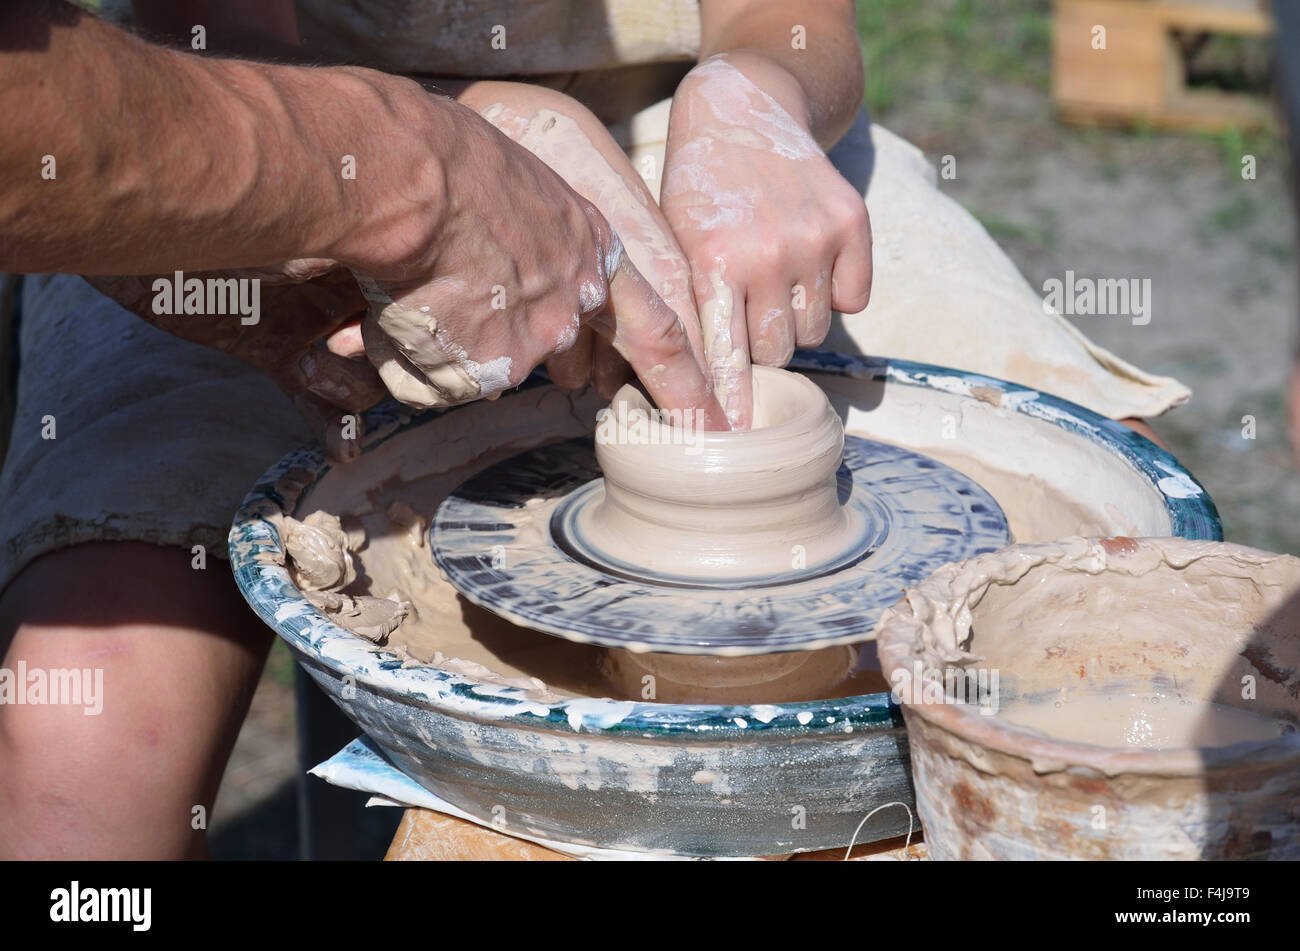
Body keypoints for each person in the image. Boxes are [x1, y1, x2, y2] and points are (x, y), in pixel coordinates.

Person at [0, 0, 1186, 858]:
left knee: (1109, 598)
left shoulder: (727, 107)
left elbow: (792, 21)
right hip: (255, 139)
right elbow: (211, 45)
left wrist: (754, 98)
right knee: (83, 745)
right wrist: (441, 127)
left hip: (685, 125)